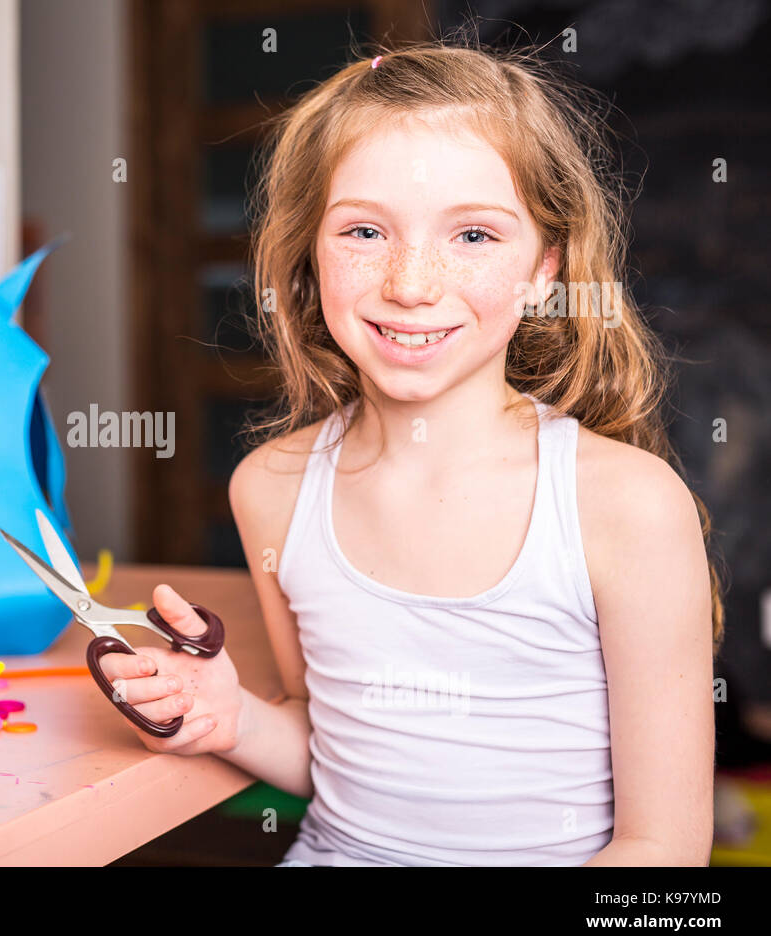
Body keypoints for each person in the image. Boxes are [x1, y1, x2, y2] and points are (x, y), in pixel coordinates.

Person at [98, 40, 722, 866]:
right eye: (363, 230)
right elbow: (332, 758)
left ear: (545, 269)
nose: (411, 283)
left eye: (472, 234)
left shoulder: (628, 507)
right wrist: (235, 717)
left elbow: (664, 853)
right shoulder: (273, 489)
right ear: (309, 255)